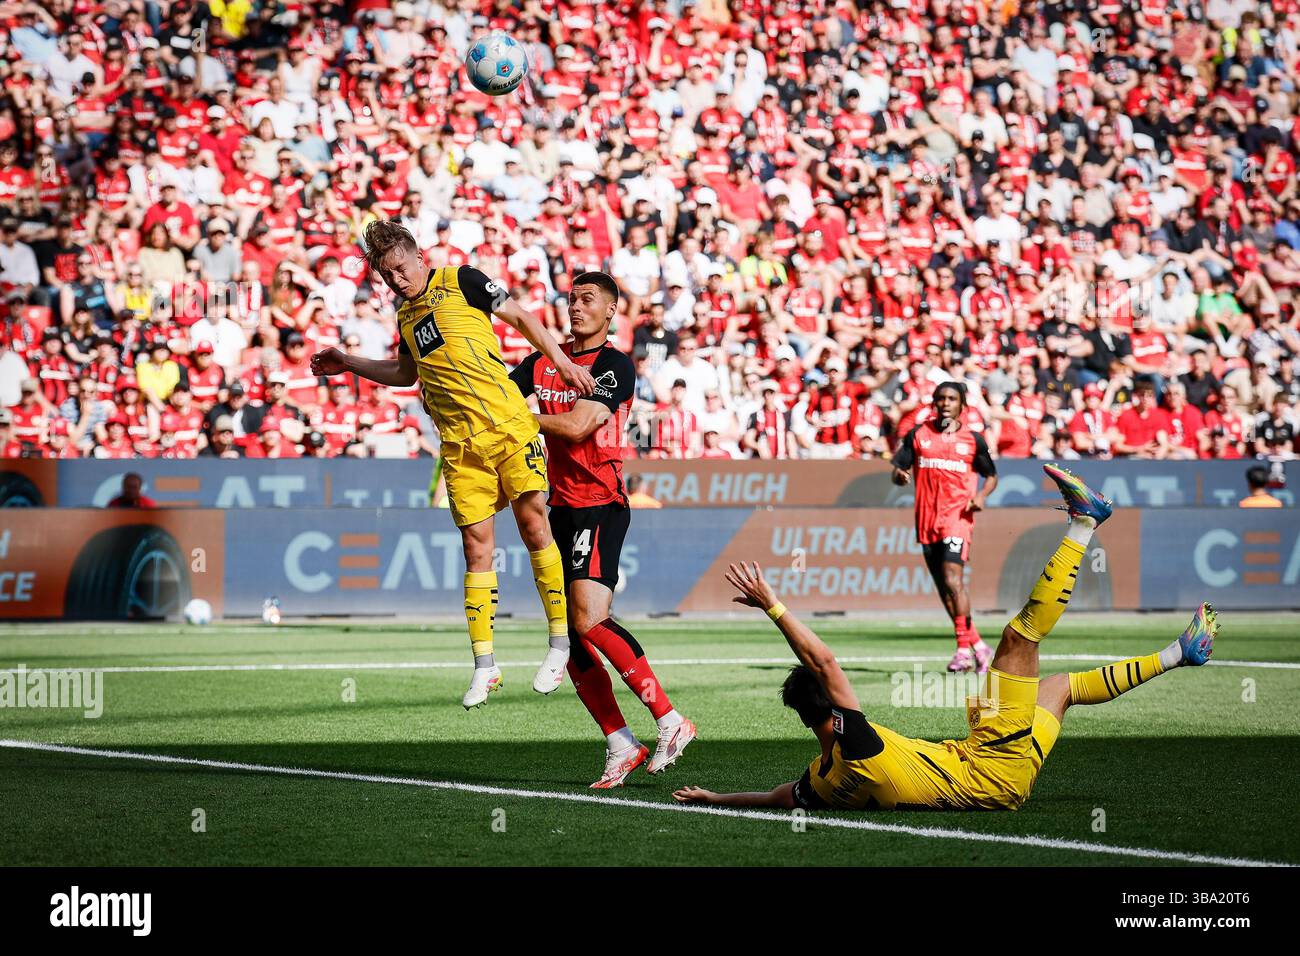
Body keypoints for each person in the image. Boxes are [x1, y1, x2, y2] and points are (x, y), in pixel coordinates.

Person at [674, 466, 1218, 812]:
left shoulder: (822, 783)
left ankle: (1180, 654)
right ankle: (1084, 523)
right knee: (1018, 637)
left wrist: (714, 797)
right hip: (992, 767)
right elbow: (825, 660)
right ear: (828, 708)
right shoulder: (856, 743)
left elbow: (775, 798)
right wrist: (773, 605)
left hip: (1000, 776)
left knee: (1058, 687)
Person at [310, 220, 597, 708]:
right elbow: (405, 372)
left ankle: (559, 643)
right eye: (386, 277)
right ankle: (486, 666)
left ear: (419, 256)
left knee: (534, 526)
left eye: (400, 269)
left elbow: (522, 318)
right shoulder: (406, 317)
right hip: (459, 444)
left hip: (508, 424)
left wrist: (563, 363)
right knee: (475, 547)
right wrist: (349, 361)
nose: (396, 281)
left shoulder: (461, 279)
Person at [510, 271, 696, 787]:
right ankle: (620, 742)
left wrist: (518, 418)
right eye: (571, 299)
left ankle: (670, 720)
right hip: (559, 507)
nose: (576, 306)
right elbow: (498, 398)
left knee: (590, 619)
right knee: (569, 635)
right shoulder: (542, 362)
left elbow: (575, 425)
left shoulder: (614, 366)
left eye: (588, 299)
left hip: (600, 502)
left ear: (611, 310)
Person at [890, 381, 998, 673]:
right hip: (926, 520)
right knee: (943, 588)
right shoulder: (918, 435)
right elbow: (898, 468)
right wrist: (900, 476)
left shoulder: (973, 440)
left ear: (962, 405)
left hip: (958, 518)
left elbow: (991, 476)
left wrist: (980, 496)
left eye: (952, 398)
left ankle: (962, 649)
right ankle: (978, 646)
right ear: (934, 403)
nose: (946, 402)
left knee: (953, 580)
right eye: (941, 398)